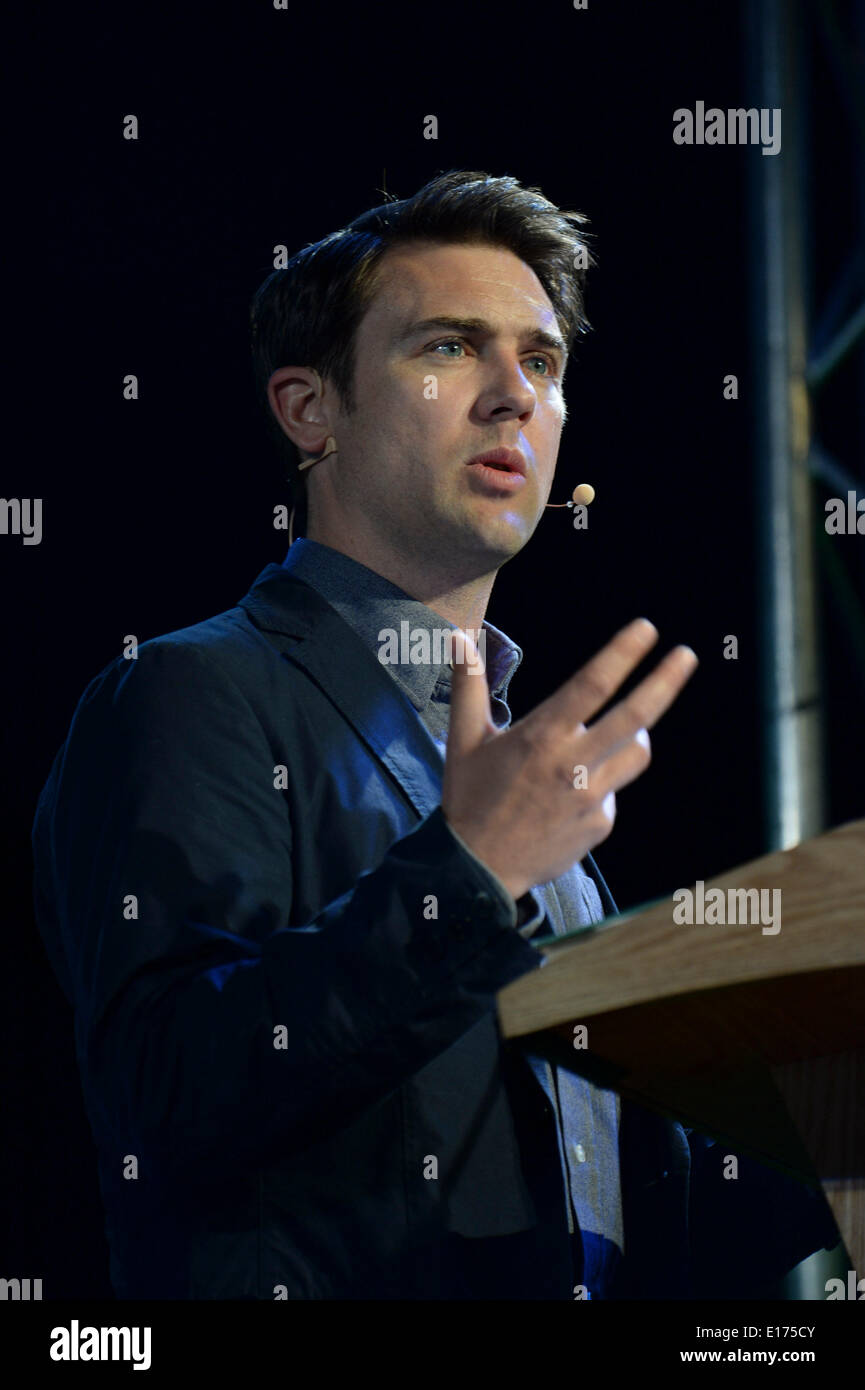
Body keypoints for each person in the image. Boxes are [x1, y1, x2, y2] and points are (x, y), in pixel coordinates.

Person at [31, 170, 839, 1300]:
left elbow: (613, 1224)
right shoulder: (188, 691)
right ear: (310, 408)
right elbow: (170, 1099)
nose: (514, 396)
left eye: (542, 361)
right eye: (450, 348)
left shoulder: (524, 783)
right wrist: (471, 871)